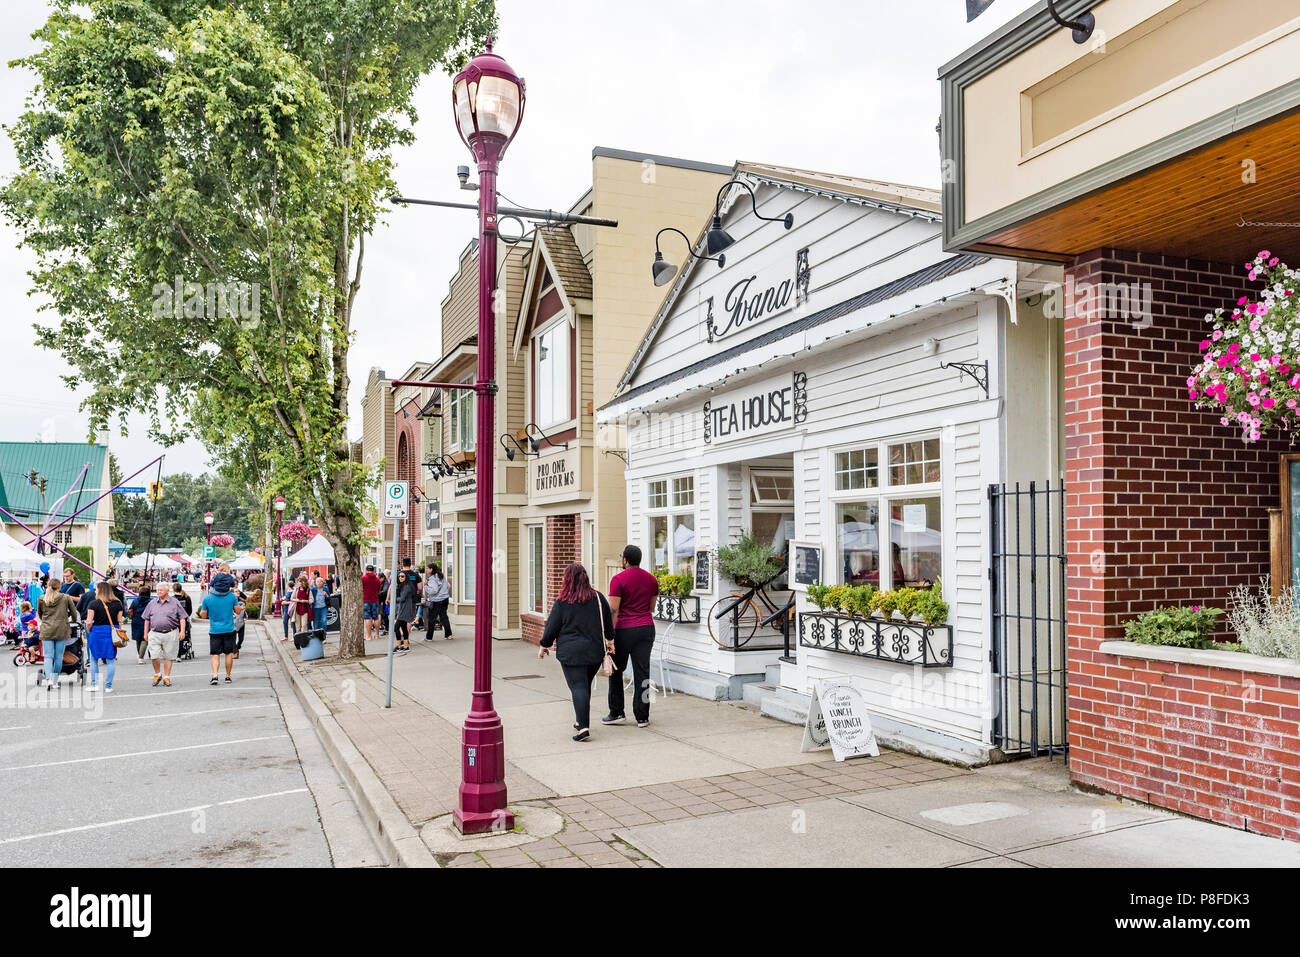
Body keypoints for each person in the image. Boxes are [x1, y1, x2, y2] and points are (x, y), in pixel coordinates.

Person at [538, 563, 614, 742]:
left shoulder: (563, 602)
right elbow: (608, 622)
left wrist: (544, 646)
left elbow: (552, 627)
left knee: (578, 687)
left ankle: (583, 728)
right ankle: (581, 722)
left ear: (567, 580)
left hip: (571, 653)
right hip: (594, 652)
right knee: (584, 685)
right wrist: (610, 642)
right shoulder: (597, 597)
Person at [604, 545, 660, 728]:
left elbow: (613, 609)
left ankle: (617, 712)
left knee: (615, 670)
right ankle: (643, 717)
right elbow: (651, 608)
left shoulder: (618, 579)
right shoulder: (652, 579)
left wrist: (608, 636)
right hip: (646, 628)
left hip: (623, 630)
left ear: (625, 560)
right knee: (643, 672)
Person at [141, 581, 188, 687]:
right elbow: (147, 619)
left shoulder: (175, 602)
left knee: (169, 656)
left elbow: (182, 618)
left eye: (161, 590)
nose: (158, 592)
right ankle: (157, 674)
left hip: (171, 632)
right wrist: (145, 633)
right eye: (157, 590)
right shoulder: (152, 603)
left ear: (167, 591)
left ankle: (167, 677)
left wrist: (182, 631)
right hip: (154, 633)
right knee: (154, 655)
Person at [200, 577, 245, 685]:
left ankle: (215, 675)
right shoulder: (231, 597)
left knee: (215, 654)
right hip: (229, 629)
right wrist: (240, 607)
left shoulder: (207, 598)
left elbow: (203, 615)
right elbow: (238, 611)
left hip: (215, 630)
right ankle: (228, 676)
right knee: (228, 653)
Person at [84, 581, 125, 693]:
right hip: (112, 632)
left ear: (100, 590)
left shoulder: (93, 604)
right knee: (111, 659)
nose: (95, 591)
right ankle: (108, 686)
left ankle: (95, 684)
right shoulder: (118, 603)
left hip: (97, 631)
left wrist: (89, 631)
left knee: (94, 659)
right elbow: (119, 621)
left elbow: (88, 622)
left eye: (96, 589)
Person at [35, 583, 78, 689]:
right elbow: (74, 613)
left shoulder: (41, 598)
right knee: (58, 657)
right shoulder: (65, 598)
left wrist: (46, 620)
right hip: (61, 629)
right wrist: (72, 620)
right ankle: (54, 681)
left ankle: (48, 679)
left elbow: (40, 614)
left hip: (47, 629)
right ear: (59, 587)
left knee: (48, 657)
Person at [391, 570, 417, 653]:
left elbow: (401, 599)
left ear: (406, 577)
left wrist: (394, 598)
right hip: (404, 609)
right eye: (399, 576)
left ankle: (399, 646)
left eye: (402, 576)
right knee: (404, 628)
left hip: (404, 610)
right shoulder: (403, 586)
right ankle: (405, 647)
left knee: (396, 628)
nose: (400, 578)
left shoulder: (406, 587)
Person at [424, 563, 452, 640]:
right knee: (444, 617)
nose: (427, 570)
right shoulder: (442, 576)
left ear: (431, 569)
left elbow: (434, 590)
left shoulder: (432, 578)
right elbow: (448, 586)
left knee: (431, 619)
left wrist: (425, 586)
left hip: (436, 601)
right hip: (445, 599)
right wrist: (444, 594)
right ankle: (448, 635)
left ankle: (429, 637)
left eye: (428, 568)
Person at [129, 584, 153, 664]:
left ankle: (139, 654)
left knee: (138, 638)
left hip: (136, 620)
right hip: (147, 621)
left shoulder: (135, 601)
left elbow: (131, 611)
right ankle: (141, 657)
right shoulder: (151, 602)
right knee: (145, 639)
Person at [361, 564, 381, 641]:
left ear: (366, 570)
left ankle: (369, 636)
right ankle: (377, 634)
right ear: (373, 570)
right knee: (376, 617)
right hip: (375, 600)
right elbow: (378, 589)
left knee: (367, 618)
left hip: (366, 600)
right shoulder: (377, 580)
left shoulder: (363, 578)